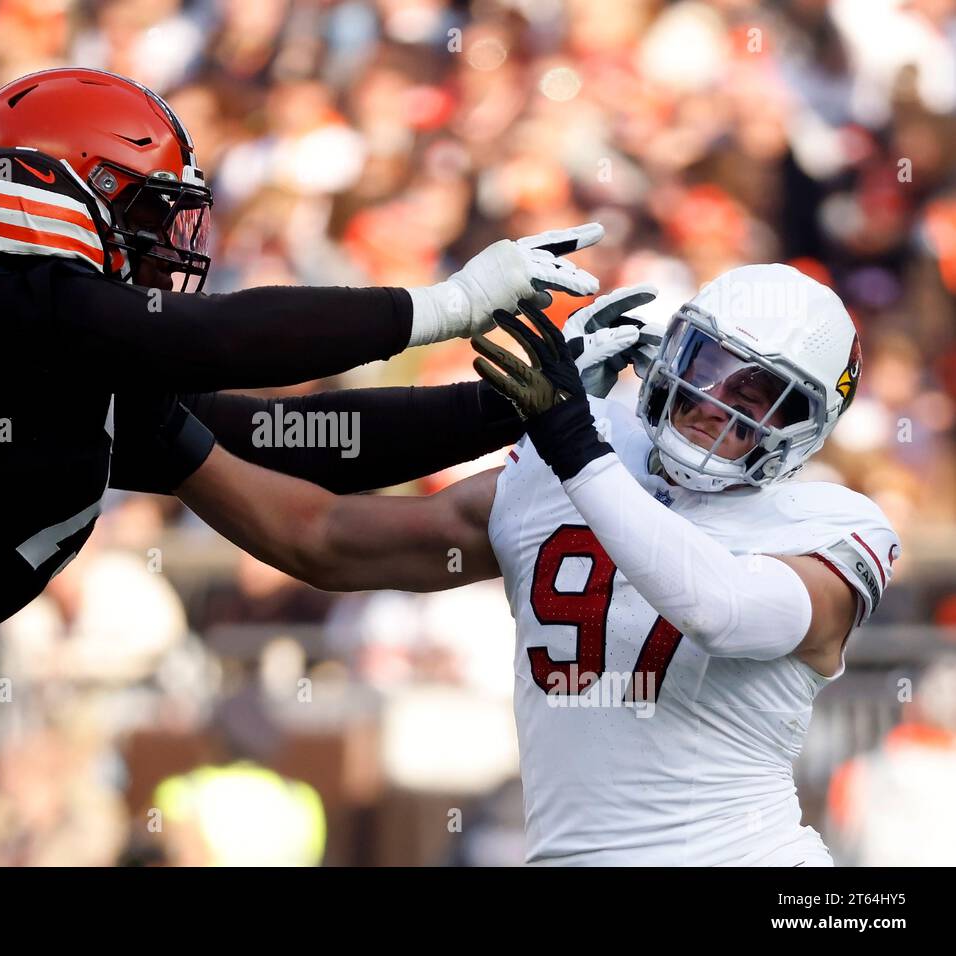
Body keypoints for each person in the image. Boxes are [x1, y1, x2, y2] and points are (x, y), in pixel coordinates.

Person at [0, 67, 643, 867]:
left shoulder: (67, 361)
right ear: (70, 181)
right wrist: (441, 307)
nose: (175, 248)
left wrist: (520, 396)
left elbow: (299, 445)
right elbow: (195, 338)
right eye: (158, 213)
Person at [176, 264, 900, 866]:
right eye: (708, 365)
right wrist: (166, 443)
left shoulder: (829, 526)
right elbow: (326, 539)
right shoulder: (577, 462)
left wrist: (574, 443)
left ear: (802, 428)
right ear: (671, 352)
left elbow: (721, 608)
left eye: (756, 392)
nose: (714, 400)